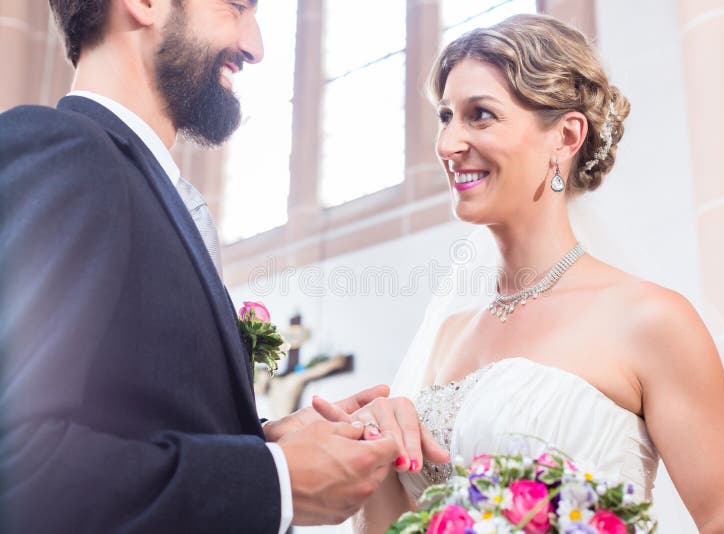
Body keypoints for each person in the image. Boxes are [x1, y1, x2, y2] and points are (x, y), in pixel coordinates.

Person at [323, 13, 724, 533]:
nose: (448, 144)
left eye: (480, 116)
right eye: (446, 117)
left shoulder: (651, 320)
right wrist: (377, 453)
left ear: (565, 135)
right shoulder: (447, 334)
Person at [0, 0, 447, 532]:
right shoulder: (65, 150)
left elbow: (128, 419)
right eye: (236, 7)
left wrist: (263, 440)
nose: (255, 47)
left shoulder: (147, 188)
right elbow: (15, 463)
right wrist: (275, 480)